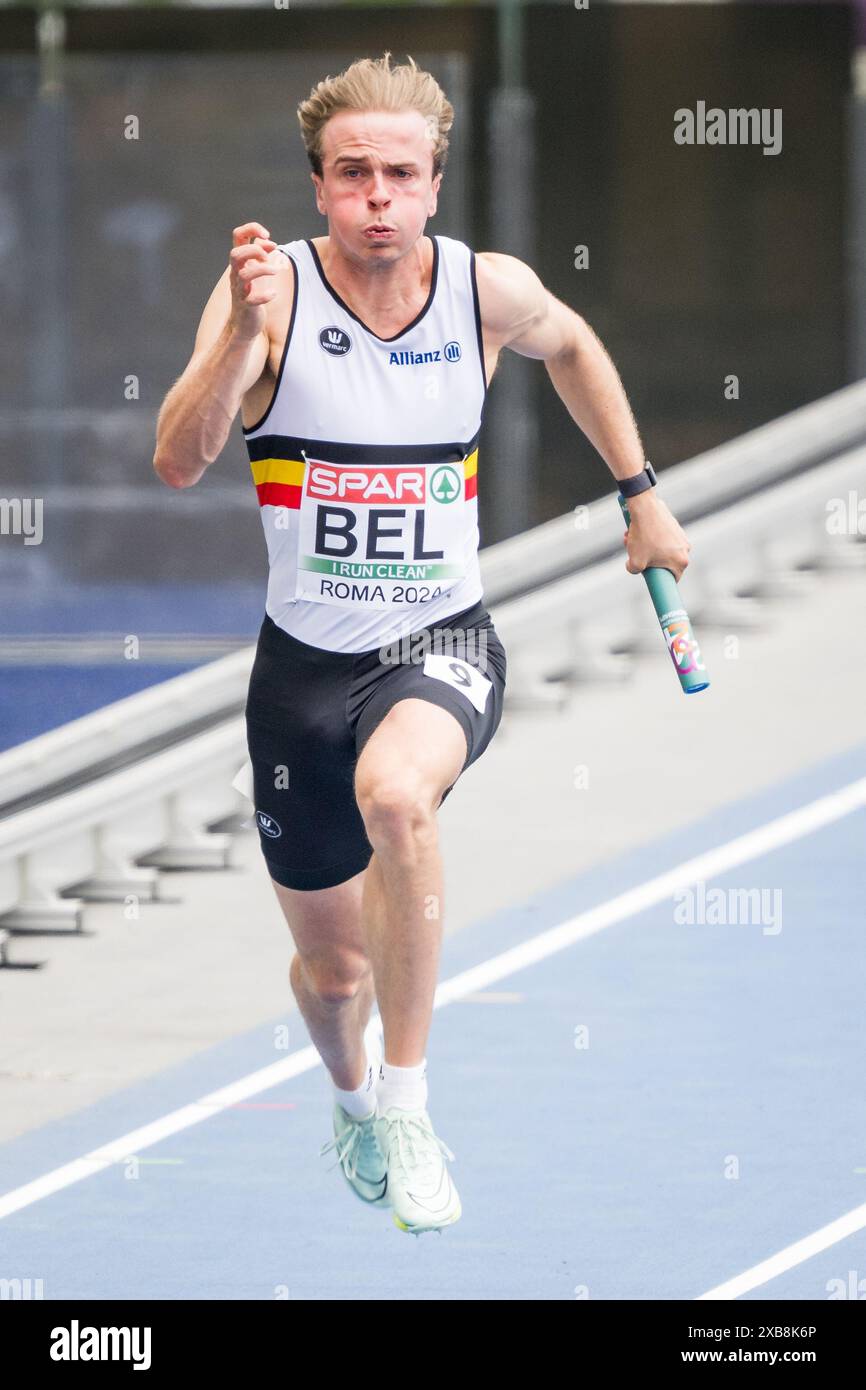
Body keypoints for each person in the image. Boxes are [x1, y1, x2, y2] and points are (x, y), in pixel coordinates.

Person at [153, 51, 691, 1236]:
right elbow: (180, 456)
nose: (378, 198)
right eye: (354, 176)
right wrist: (237, 341)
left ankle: (407, 1099)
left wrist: (637, 494)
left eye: (400, 174)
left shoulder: (482, 289)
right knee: (332, 973)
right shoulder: (267, 295)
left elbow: (576, 347)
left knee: (400, 798)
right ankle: (349, 1092)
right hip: (298, 675)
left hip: (440, 640)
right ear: (319, 187)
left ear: (436, 183)